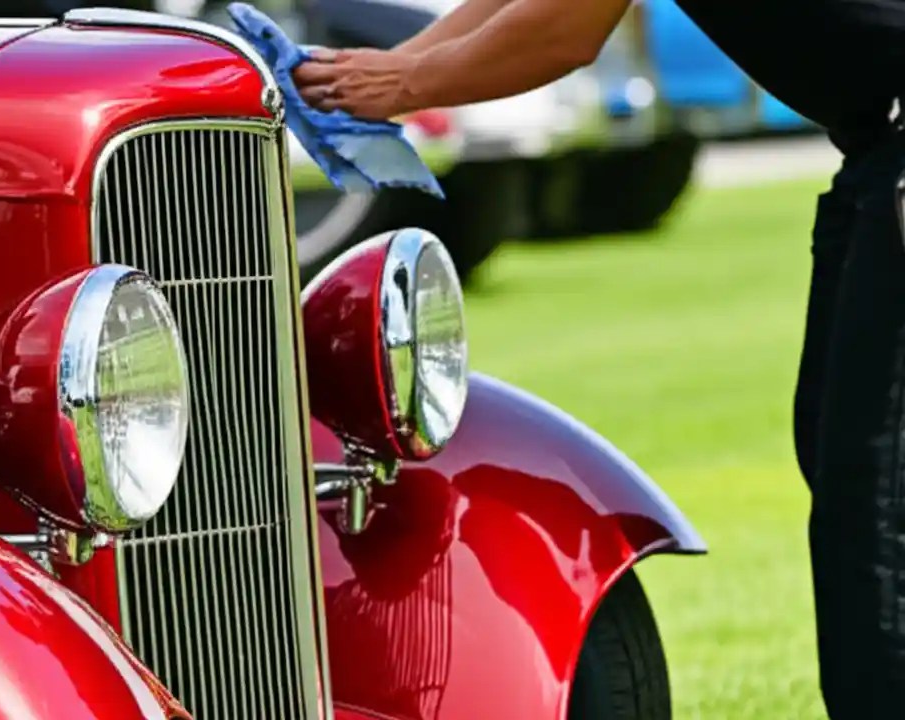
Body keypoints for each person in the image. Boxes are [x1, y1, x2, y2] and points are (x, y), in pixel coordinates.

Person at [296, 1, 905, 717]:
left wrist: (396, 84)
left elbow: (563, 30)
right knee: (846, 479)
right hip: (874, 149)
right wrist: (370, 75)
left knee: (877, 512)